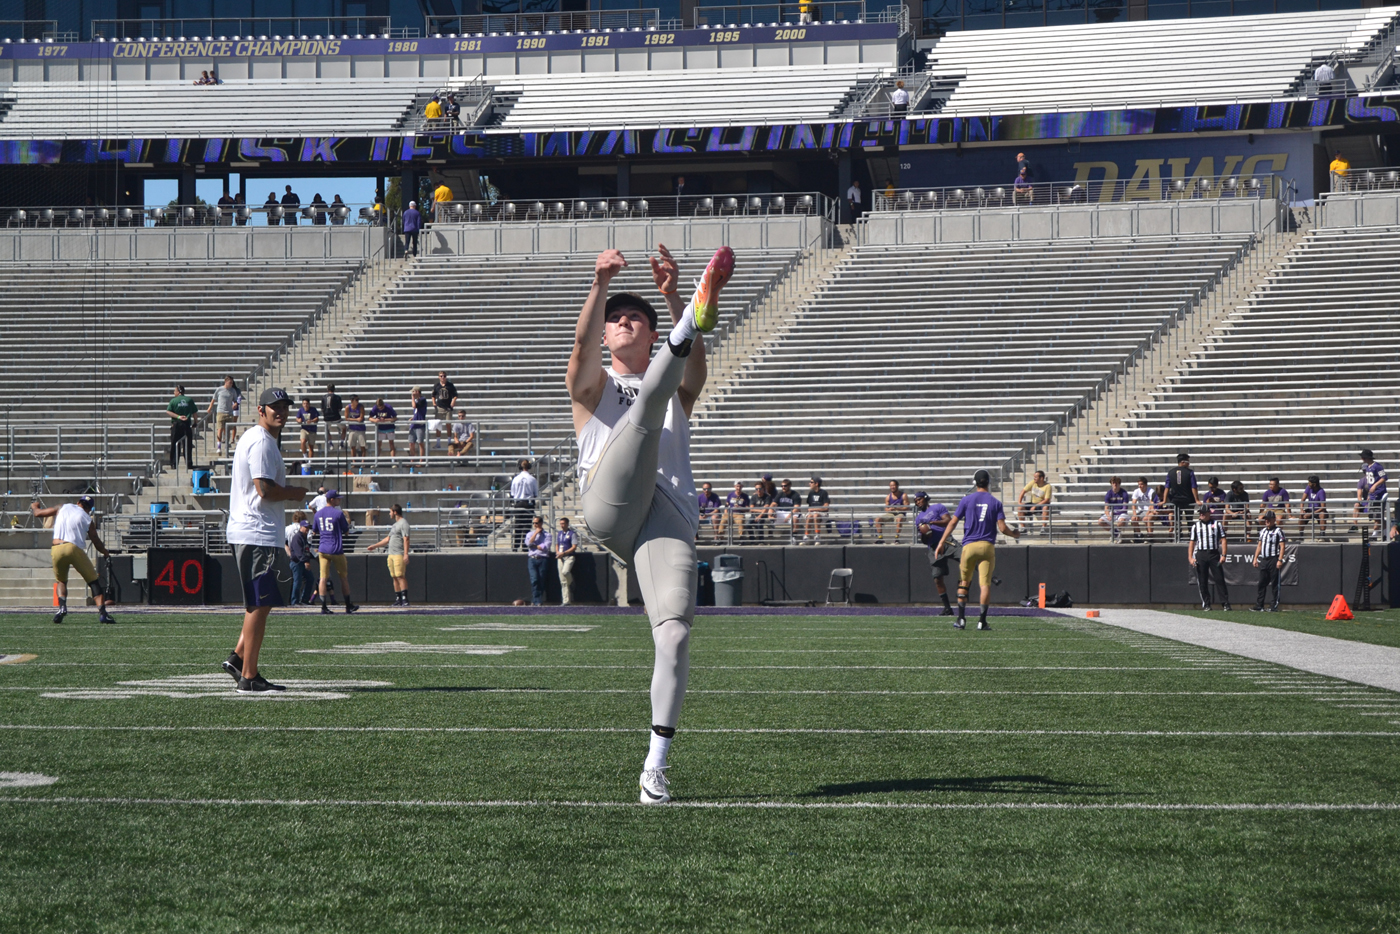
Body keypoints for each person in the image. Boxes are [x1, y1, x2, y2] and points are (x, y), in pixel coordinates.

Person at [566, 241, 733, 805]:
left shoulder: (679, 388)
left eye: (636, 316)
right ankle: (692, 316)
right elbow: (578, 356)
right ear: (606, 336)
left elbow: (694, 373)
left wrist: (672, 296)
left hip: (668, 514)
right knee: (642, 415)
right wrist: (599, 284)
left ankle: (655, 764)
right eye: (616, 318)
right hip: (611, 503)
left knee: (676, 632)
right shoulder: (595, 388)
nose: (624, 321)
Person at [222, 388, 309, 693]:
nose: (281, 412)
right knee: (259, 604)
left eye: (284, 407)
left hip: (256, 531)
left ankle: (238, 658)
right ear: (261, 409)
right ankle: (249, 675)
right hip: (256, 531)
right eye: (275, 407)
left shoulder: (259, 439)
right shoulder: (261, 441)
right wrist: (296, 493)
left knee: (263, 602)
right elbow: (264, 489)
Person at [935, 469, 1020, 630]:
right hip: (987, 547)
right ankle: (982, 621)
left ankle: (961, 619)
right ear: (988, 482)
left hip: (969, 546)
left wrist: (941, 542)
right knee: (985, 584)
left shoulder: (967, 500)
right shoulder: (995, 502)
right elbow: (1002, 528)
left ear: (975, 483)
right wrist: (1014, 533)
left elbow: (952, 523)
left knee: (964, 582)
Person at [31, 495, 115, 625]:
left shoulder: (63, 507)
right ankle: (103, 614)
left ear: (77, 503)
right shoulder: (87, 519)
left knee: (61, 581)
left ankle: (62, 608)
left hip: (56, 548)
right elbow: (96, 541)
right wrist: (105, 552)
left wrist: (34, 506)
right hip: (74, 548)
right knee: (93, 581)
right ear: (89, 509)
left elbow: (38, 514)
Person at [314, 489, 358, 615]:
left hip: (323, 549)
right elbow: (346, 531)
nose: (339, 500)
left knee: (323, 578)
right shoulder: (338, 514)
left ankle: (323, 606)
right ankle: (348, 605)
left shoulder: (318, 514)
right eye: (337, 498)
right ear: (332, 499)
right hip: (336, 549)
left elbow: (315, 530)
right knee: (343, 577)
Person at [914, 491, 955, 615]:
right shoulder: (918, 519)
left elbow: (948, 520)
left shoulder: (938, 507)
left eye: (919, 499)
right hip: (933, 546)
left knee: (965, 557)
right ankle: (947, 608)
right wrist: (925, 533)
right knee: (937, 578)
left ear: (925, 498)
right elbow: (923, 540)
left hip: (947, 541)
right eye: (916, 501)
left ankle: (991, 578)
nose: (918, 502)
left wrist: (931, 523)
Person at [1187, 505, 1230, 612]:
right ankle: (1206, 603)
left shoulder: (1217, 524)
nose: (1201, 514)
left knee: (1219, 578)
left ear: (1209, 513)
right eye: (1200, 512)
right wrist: (1190, 557)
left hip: (1213, 554)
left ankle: (1225, 603)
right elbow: (1192, 542)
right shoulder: (1196, 526)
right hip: (1201, 554)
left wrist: (1224, 555)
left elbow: (1223, 539)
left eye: (1203, 512)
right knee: (1202, 580)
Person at [367, 504, 411, 607]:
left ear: (395, 512)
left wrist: (405, 554)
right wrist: (375, 546)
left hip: (398, 554)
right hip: (391, 554)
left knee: (400, 576)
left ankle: (405, 598)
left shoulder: (403, 523)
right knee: (394, 577)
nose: (389, 514)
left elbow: (406, 539)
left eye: (390, 512)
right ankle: (398, 598)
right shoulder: (395, 525)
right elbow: (388, 539)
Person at [1252, 510, 1285, 612]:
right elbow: (1260, 545)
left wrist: (1279, 559)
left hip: (1273, 558)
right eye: (1266, 519)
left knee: (1275, 583)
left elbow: (1282, 546)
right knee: (1261, 583)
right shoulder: (1263, 531)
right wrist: (1255, 558)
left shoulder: (1278, 531)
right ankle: (1259, 605)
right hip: (1264, 559)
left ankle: (1274, 605)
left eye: (1269, 520)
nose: (1267, 521)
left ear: (1274, 520)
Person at [1351, 448, 1387, 534]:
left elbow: (1384, 477)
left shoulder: (1377, 466)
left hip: (1378, 493)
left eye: (1363, 457)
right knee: (1375, 515)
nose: (1362, 459)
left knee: (1377, 514)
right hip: (1372, 495)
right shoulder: (1367, 467)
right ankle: (1385, 531)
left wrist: (1375, 485)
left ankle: (1376, 533)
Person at [164, 384, 198, 470]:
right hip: (187, 424)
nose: (173, 392)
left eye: (174, 391)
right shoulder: (189, 400)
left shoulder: (174, 401)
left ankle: (174, 463)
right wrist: (195, 422)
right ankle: (189, 463)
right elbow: (194, 413)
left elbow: (168, 411)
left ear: (178, 392)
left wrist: (178, 417)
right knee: (187, 445)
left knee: (175, 444)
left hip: (176, 424)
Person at [205, 376, 241, 456]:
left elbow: (235, 400)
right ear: (226, 382)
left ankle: (226, 444)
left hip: (229, 412)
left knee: (227, 430)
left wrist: (235, 404)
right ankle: (219, 446)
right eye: (230, 382)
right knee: (220, 429)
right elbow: (213, 399)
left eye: (232, 383)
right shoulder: (219, 389)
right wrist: (210, 407)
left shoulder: (233, 391)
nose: (231, 384)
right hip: (221, 411)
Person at [1165, 452, 1200, 535]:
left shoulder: (1171, 472)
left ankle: (1178, 536)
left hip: (1176, 500)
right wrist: (1197, 499)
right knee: (1189, 519)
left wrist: (1164, 500)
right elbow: (1193, 487)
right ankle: (1191, 536)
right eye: (1188, 462)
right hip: (1188, 500)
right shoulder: (1190, 472)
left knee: (1177, 520)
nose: (1189, 464)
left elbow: (1167, 487)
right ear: (1183, 462)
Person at [510, 459, 538, 551]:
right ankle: (525, 546)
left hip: (518, 503)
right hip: (528, 503)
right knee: (526, 526)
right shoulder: (532, 479)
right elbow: (535, 494)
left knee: (517, 525)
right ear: (529, 467)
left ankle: (515, 546)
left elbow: (513, 493)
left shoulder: (516, 479)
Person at [286, 518, 315, 606]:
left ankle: (304, 599)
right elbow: (299, 553)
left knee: (310, 579)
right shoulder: (297, 537)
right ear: (301, 527)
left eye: (308, 527)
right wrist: (306, 561)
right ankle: (294, 601)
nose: (307, 529)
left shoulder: (304, 537)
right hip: (297, 562)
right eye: (305, 527)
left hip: (301, 562)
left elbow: (306, 550)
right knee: (297, 581)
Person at [525, 516, 551, 606]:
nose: (535, 525)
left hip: (542, 559)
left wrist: (534, 546)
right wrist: (535, 533)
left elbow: (544, 547)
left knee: (541, 580)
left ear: (541, 523)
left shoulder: (547, 535)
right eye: (533, 523)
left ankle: (537, 600)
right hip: (532, 559)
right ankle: (535, 599)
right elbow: (528, 543)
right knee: (534, 579)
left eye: (536, 523)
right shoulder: (530, 534)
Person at [432, 371, 458, 448]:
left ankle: (449, 442)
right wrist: (434, 402)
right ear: (439, 377)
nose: (443, 377)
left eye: (444, 376)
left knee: (448, 424)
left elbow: (455, 395)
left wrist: (453, 401)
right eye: (441, 376)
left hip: (448, 408)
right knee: (438, 425)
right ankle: (438, 442)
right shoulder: (437, 385)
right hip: (439, 407)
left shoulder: (450, 385)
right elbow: (433, 395)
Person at [556, 517, 578, 605]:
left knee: (565, 572)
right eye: (561, 524)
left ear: (567, 524)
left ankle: (571, 581)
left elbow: (574, 546)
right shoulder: (559, 533)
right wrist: (557, 552)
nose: (562, 525)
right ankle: (566, 601)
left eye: (563, 524)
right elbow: (557, 544)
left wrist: (564, 553)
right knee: (562, 581)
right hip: (560, 557)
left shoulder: (572, 534)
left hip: (569, 556)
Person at [803, 476, 830, 543]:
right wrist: (812, 510)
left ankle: (817, 536)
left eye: (811, 482)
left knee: (816, 515)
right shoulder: (811, 493)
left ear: (816, 484)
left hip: (822, 513)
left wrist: (815, 509)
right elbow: (809, 506)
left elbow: (826, 507)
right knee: (809, 516)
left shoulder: (823, 493)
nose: (809, 483)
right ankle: (806, 536)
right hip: (812, 512)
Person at [773, 478, 801, 543]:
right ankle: (768, 537)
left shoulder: (795, 495)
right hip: (781, 512)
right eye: (782, 486)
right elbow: (774, 503)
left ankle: (793, 537)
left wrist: (788, 516)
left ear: (789, 486)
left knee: (795, 519)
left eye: (785, 486)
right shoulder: (780, 494)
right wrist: (771, 510)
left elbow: (796, 508)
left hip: (791, 512)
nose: (783, 487)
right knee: (770, 516)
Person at [321, 383, 344, 455]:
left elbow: (322, 408)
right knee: (344, 428)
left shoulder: (324, 397)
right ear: (334, 389)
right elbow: (339, 408)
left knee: (327, 430)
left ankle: (330, 443)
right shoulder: (337, 397)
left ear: (327, 389)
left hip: (327, 417)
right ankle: (341, 443)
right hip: (336, 417)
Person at [407, 387, 429, 465]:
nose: (412, 394)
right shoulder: (417, 400)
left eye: (413, 392)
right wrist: (413, 417)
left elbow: (414, 406)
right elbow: (417, 411)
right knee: (411, 443)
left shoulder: (422, 400)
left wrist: (412, 398)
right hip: (414, 424)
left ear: (417, 392)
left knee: (420, 442)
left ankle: (421, 461)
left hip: (420, 424)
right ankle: (412, 460)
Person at [1129, 476, 1154, 541]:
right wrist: (1134, 514)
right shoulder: (1136, 491)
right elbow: (1133, 503)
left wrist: (1147, 514)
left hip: (1149, 510)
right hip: (1141, 511)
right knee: (1133, 519)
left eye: (1141, 484)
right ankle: (1139, 534)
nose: (1140, 486)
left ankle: (1150, 535)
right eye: (1139, 484)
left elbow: (1152, 504)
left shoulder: (1151, 491)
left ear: (1145, 484)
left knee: (1147, 519)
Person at [295, 398, 319, 462]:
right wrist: (298, 420)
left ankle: (310, 461)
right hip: (304, 429)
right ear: (302, 404)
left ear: (309, 404)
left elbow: (317, 418)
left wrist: (311, 421)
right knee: (302, 441)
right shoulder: (301, 410)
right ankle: (305, 456)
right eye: (304, 404)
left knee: (311, 446)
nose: (305, 405)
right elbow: (297, 418)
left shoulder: (313, 410)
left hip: (312, 429)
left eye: (306, 403)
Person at [345, 395, 366, 463]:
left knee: (362, 446)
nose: (357, 402)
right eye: (356, 400)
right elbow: (346, 418)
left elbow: (361, 418)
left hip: (360, 428)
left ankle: (363, 462)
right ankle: (354, 461)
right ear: (352, 401)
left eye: (357, 400)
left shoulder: (360, 407)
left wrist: (355, 419)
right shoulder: (348, 407)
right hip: (352, 429)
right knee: (352, 446)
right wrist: (356, 419)